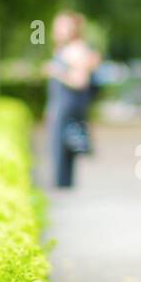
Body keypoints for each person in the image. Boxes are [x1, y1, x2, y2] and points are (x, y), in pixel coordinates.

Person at [44, 11, 101, 189]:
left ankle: (63, 192)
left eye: (62, 25)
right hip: (61, 105)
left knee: (62, 153)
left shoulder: (76, 50)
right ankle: (62, 187)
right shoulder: (65, 49)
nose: (57, 30)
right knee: (60, 152)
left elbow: (79, 81)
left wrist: (56, 72)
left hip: (67, 107)